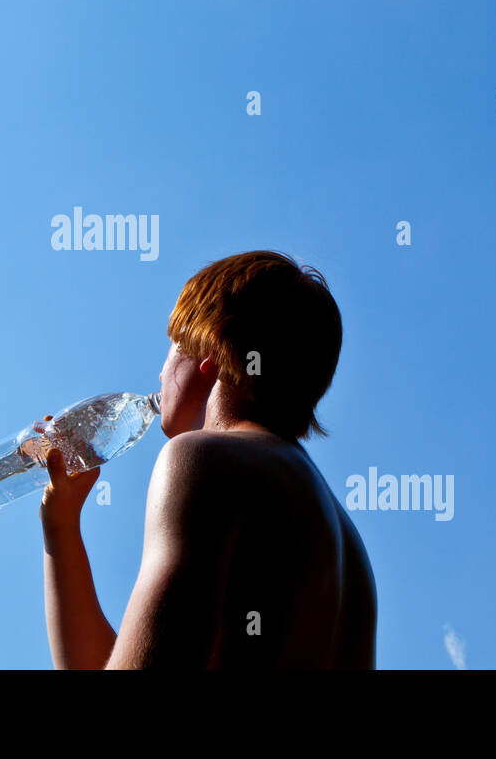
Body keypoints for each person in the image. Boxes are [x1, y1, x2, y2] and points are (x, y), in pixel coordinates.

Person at [40, 250, 377, 668]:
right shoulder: (350, 551)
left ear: (209, 356)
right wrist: (63, 529)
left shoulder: (204, 460)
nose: (161, 375)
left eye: (172, 347)